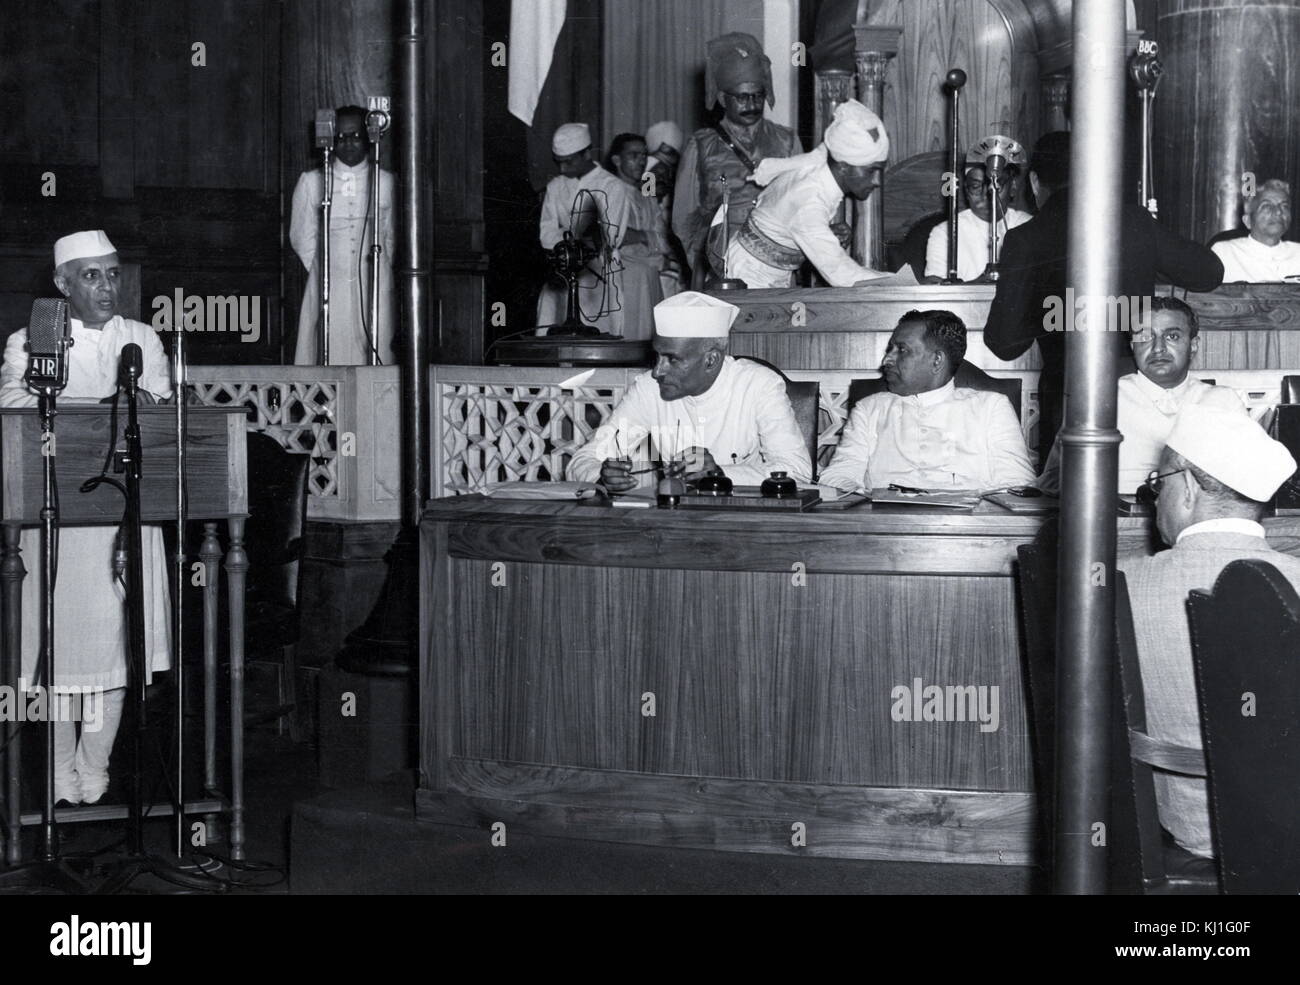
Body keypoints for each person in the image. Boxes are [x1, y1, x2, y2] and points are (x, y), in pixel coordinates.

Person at [0, 230, 173, 805]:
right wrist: (100, 409)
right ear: (62, 284)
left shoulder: (142, 338)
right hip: (54, 520)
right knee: (53, 653)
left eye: (113, 274)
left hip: (125, 516)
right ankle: (55, 771)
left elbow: (161, 406)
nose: (106, 286)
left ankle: (94, 767)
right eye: (91, 275)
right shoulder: (31, 340)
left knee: (114, 650)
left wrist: (146, 406)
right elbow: (16, 406)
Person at [1119, 403, 1300, 859]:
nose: (1154, 499)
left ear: (1186, 486)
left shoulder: (1119, 583)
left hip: (1184, 829)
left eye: (1157, 485)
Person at [983, 131, 1224, 464]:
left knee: (1071, 507)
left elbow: (1004, 343)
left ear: (1036, 182)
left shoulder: (1025, 238)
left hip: (1067, 401)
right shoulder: (1135, 220)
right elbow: (1209, 273)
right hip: (1141, 397)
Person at [566, 291, 811, 487]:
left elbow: (798, 471)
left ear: (711, 360)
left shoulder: (758, 385)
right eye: (657, 356)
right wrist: (602, 475)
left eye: (672, 359)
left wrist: (721, 473)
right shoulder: (649, 390)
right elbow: (583, 459)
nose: (657, 371)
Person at [1036, 296, 1246, 495]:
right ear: (1132, 345)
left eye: (1172, 336)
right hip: (1115, 525)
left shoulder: (1223, 402)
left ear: (1193, 345)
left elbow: (1247, 480)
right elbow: (1052, 481)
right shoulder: (1099, 400)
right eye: (1145, 337)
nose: (1158, 348)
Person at [820, 309, 1033, 492]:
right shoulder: (869, 409)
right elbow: (836, 477)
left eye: (902, 350)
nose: (887, 359)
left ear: (937, 360)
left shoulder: (991, 407)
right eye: (889, 350)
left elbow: (1018, 484)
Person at [672, 32, 801, 286]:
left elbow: (802, 200)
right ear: (723, 99)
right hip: (721, 263)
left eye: (757, 96)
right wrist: (706, 261)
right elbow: (682, 219)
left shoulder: (787, 140)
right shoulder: (700, 145)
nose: (751, 104)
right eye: (742, 97)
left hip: (776, 262)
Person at [724, 99, 893, 289]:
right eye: (872, 170)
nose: (877, 181)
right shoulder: (809, 200)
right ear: (844, 166)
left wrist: (823, 232)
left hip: (767, 272)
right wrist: (904, 283)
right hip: (748, 276)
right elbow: (843, 276)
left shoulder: (818, 168)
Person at [290, 105, 396, 365]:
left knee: (377, 347)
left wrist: (378, 268)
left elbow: (391, 236)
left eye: (356, 136)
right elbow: (301, 236)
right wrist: (325, 266)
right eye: (341, 137)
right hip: (328, 281)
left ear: (370, 138)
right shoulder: (311, 181)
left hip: (376, 282)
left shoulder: (386, 181)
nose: (349, 143)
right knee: (327, 347)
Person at [602, 133, 672, 340]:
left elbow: (662, 238)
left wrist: (642, 236)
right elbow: (612, 235)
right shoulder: (607, 190)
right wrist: (646, 236)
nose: (641, 161)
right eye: (633, 155)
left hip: (647, 270)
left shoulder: (645, 196)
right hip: (621, 271)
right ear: (617, 160)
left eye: (643, 155)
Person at [923, 150, 1032, 283]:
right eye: (975, 186)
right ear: (966, 190)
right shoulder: (945, 232)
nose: (987, 194)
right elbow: (934, 287)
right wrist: (978, 284)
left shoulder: (1028, 225)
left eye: (996, 185)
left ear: (1013, 187)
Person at [1211, 179, 1300, 282]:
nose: (1279, 212)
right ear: (1247, 220)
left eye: (1284, 206)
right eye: (1266, 206)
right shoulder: (1224, 253)